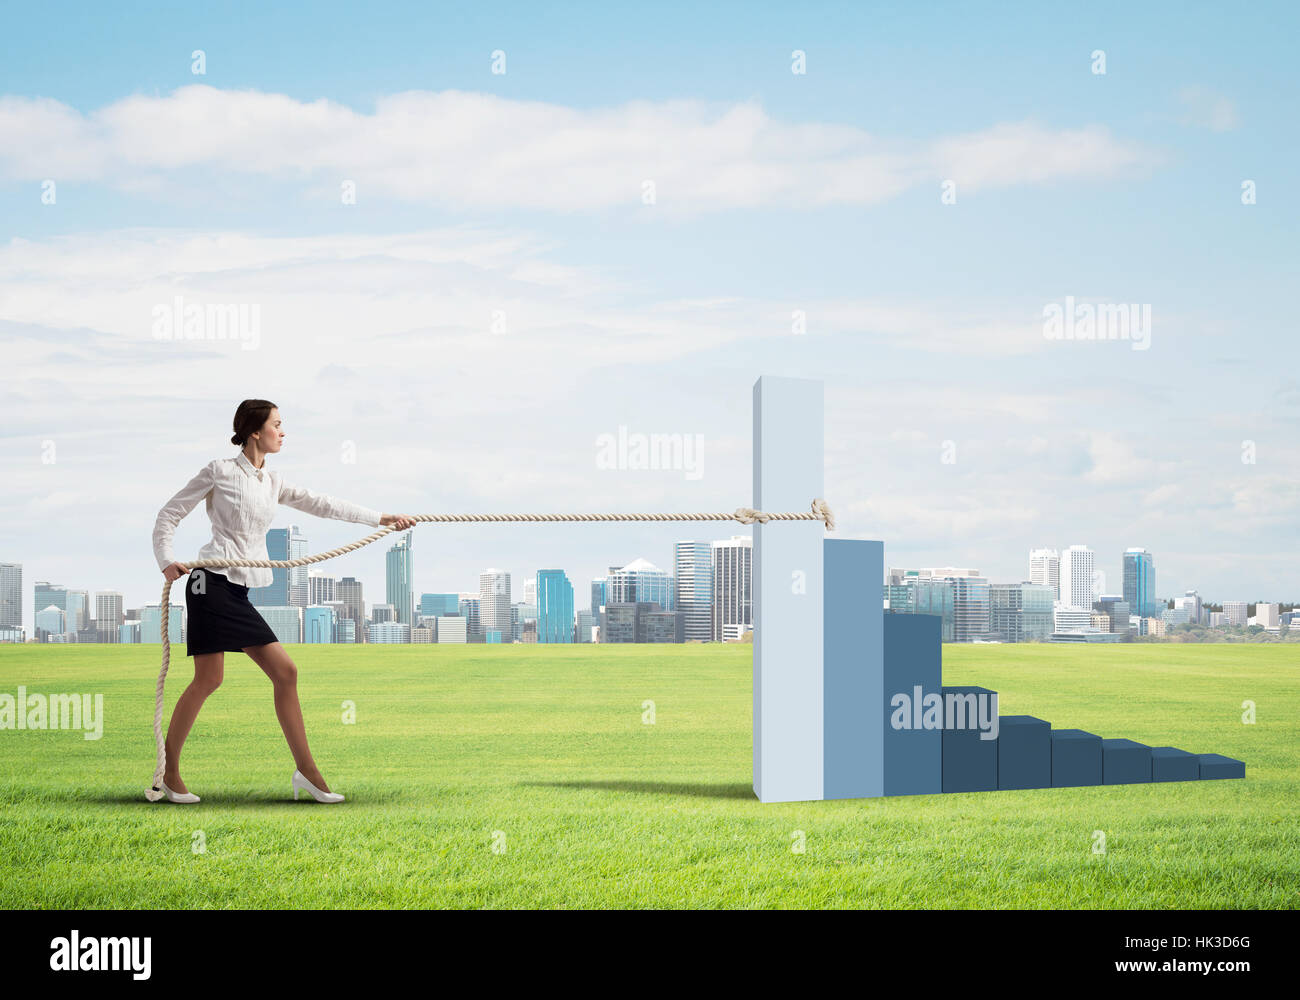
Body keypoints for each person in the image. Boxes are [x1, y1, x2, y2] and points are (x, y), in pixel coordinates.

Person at [152, 398, 416, 803]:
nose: (283, 431)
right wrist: (167, 560)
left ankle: (304, 774)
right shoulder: (219, 471)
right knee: (228, 677)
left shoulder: (272, 482)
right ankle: (171, 775)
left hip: (236, 588)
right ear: (255, 431)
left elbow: (323, 504)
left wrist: (381, 518)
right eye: (277, 424)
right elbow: (169, 514)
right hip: (209, 583)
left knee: (267, 675)